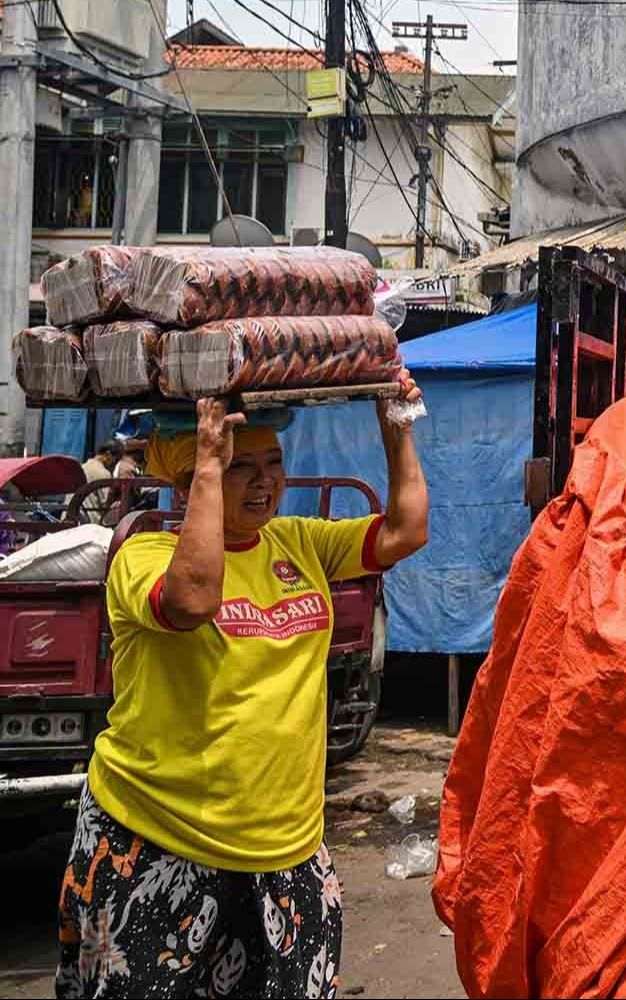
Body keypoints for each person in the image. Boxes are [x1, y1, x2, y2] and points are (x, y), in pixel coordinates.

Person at [56, 376, 430, 999]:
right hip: (157, 843)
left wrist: (396, 426)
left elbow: (406, 530)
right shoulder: (144, 557)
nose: (264, 481)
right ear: (187, 483)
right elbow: (196, 597)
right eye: (240, 468)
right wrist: (207, 462)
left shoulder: (299, 544)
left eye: (273, 463)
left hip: (286, 848)